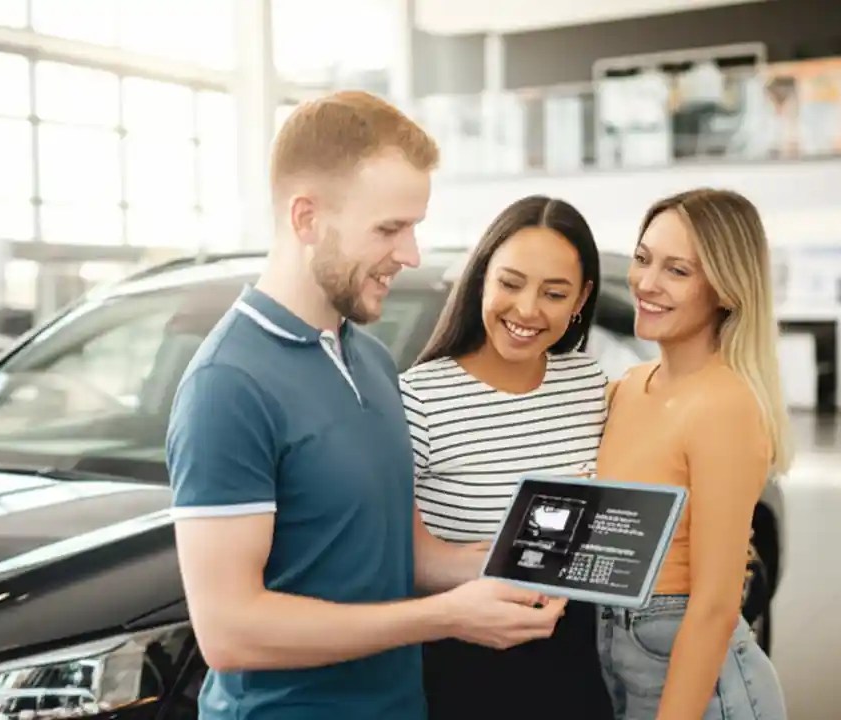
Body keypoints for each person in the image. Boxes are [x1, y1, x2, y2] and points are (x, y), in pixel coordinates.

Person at [164, 90, 567, 720]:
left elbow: (408, 557)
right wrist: (444, 620)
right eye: (389, 228)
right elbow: (229, 631)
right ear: (306, 219)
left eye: (414, 227)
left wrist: (558, 557)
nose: (410, 254)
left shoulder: (372, 360)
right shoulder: (227, 385)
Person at [400, 195, 615, 720]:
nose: (526, 310)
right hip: (463, 669)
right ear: (482, 279)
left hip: (577, 664)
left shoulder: (590, 386)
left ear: (582, 298)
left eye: (554, 293)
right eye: (510, 283)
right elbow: (398, 559)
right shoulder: (417, 398)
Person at [596, 188, 790, 720]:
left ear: (725, 289)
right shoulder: (629, 387)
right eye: (642, 259)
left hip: (701, 686)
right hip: (620, 651)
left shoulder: (725, 404)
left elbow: (715, 605)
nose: (646, 283)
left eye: (677, 270)